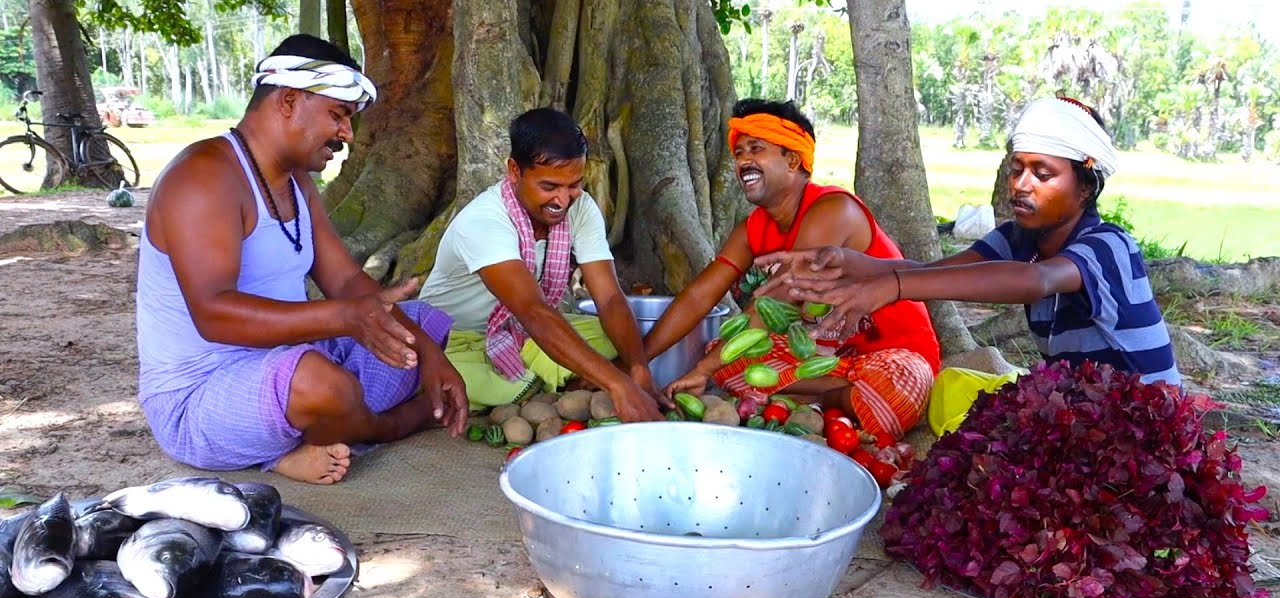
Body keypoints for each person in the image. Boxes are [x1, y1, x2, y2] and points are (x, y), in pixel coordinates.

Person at [136, 34, 468, 486]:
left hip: (289, 360)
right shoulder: (203, 176)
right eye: (338, 115)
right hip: (201, 396)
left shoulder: (296, 183)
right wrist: (348, 320)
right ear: (289, 101)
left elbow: (349, 283)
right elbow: (213, 314)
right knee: (322, 385)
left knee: (423, 325)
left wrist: (428, 353)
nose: (347, 135)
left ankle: (334, 423)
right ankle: (371, 429)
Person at [761, 96, 1181, 387]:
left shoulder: (1108, 245)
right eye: (1016, 169)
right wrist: (848, 262)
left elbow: (1037, 281)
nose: (1021, 185)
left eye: (1043, 173)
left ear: (1086, 187)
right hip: (1085, 414)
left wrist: (893, 287)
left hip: (1143, 425)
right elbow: (934, 275)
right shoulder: (1020, 239)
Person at [643, 99, 942, 442]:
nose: (743, 161)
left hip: (893, 358)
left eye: (756, 149)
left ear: (793, 160)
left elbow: (781, 299)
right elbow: (699, 297)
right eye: (739, 153)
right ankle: (825, 401)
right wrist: (636, 363)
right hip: (828, 360)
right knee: (722, 358)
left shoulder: (833, 209)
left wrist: (700, 372)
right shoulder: (751, 229)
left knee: (893, 395)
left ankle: (811, 399)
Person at [418, 108, 664, 422]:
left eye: (574, 185)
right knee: (479, 382)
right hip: (455, 340)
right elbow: (533, 311)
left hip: (524, 332)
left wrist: (637, 369)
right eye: (549, 187)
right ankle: (557, 382)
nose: (563, 200)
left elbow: (610, 298)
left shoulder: (582, 209)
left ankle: (559, 380)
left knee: (614, 336)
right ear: (514, 171)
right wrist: (618, 382)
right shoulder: (484, 220)